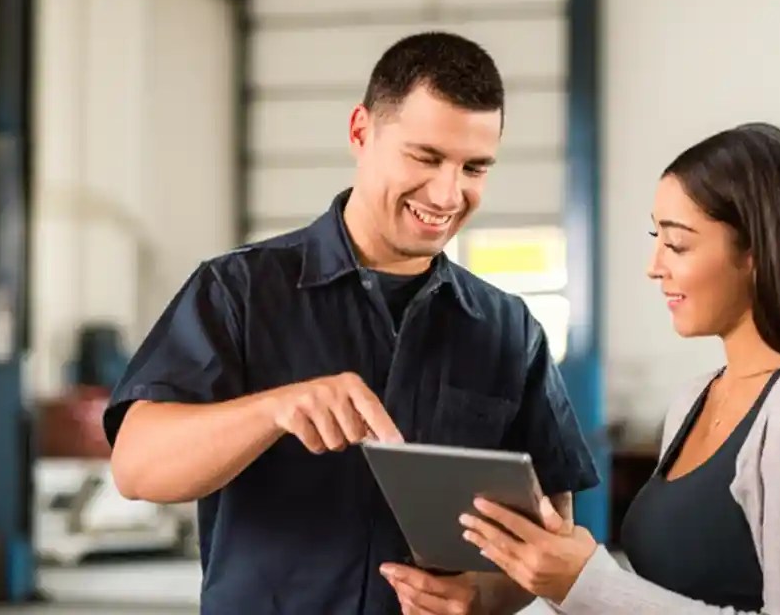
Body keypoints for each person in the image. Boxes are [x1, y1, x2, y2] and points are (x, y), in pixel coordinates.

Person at [103, 31, 600, 614]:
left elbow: (550, 531)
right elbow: (137, 468)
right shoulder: (239, 292)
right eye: (426, 157)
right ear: (361, 132)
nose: (448, 193)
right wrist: (274, 410)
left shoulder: (507, 331)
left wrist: (481, 597)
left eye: (474, 167)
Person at [460, 122, 780, 613]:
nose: (654, 266)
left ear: (756, 251)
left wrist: (589, 583)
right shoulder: (694, 400)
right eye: (657, 238)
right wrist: (551, 578)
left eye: (677, 244)